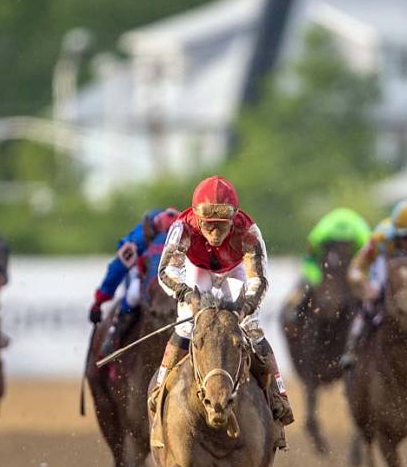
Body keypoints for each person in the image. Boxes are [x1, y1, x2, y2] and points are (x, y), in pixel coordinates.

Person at [150, 176, 293, 447]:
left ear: (234, 219)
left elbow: (258, 280)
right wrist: (185, 294)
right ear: (197, 218)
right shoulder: (183, 227)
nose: (215, 234)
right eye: (209, 226)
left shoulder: (249, 232)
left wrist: (245, 307)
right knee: (185, 324)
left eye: (222, 226)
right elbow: (167, 270)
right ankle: (160, 391)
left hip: (234, 270)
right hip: (198, 270)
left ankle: (278, 397)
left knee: (251, 327)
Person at [339, 199, 407, 369]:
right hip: (386, 268)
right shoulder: (380, 237)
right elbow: (357, 267)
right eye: (404, 237)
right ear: (395, 234)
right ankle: (353, 347)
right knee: (371, 303)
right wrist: (365, 286)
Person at [88, 207, 180, 357]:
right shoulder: (139, 239)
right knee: (132, 295)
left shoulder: (187, 233)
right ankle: (114, 338)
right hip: (145, 277)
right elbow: (117, 269)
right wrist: (100, 300)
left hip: (176, 279)